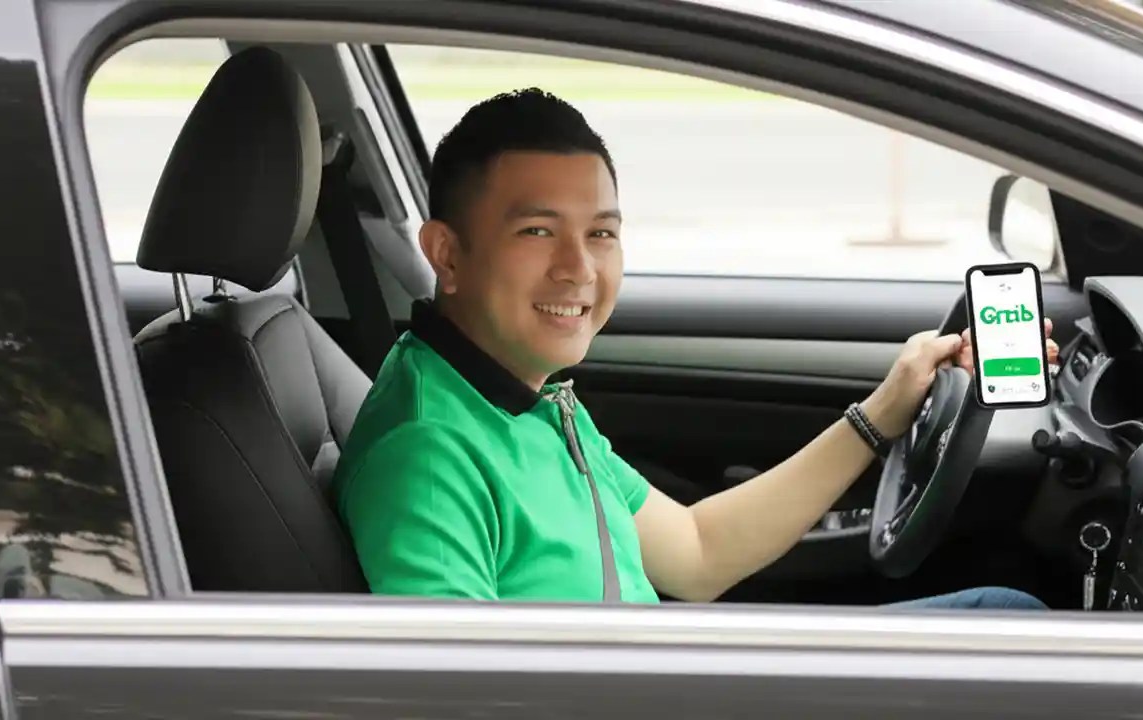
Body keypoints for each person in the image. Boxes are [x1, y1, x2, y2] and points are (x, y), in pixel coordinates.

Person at [331, 88, 1058, 609]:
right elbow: (447, 695)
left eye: (602, 233)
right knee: (1013, 628)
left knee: (1003, 612)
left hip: (666, 681)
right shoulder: (429, 452)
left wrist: (882, 413)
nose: (578, 268)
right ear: (447, 254)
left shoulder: (524, 394)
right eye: (537, 232)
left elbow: (699, 552)